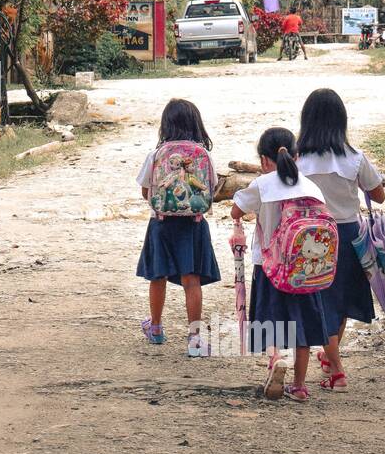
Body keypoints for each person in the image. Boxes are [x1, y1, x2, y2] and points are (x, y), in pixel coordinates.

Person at [230, 128, 332, 402]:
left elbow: (235, 211)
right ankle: (299, 386)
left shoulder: (263, 184)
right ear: (297, 156)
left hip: (270, 267)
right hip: (306, 269)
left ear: (264, 160)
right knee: (304, 327)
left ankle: (275, 359)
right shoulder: (311, 186)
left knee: (272, 320)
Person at [296, 88, 385, 392]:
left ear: (306, 121)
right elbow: (379, 195)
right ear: (341, 121)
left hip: (312, 239)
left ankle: (336, 370)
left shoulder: (298, 160)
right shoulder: (354, 158)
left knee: (321, 300)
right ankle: (332, 359)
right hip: (348, 235)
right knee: (342, 301)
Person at [136, 98, 221, 357]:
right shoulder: (202, 155)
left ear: (165, 126)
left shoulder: (156, 154)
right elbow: (212, 188)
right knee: (191, 280)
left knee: (157, 276)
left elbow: (145, 190)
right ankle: (195, 338)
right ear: (196, 125)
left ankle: (157, 328)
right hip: (192, 225)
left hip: (160, 224)